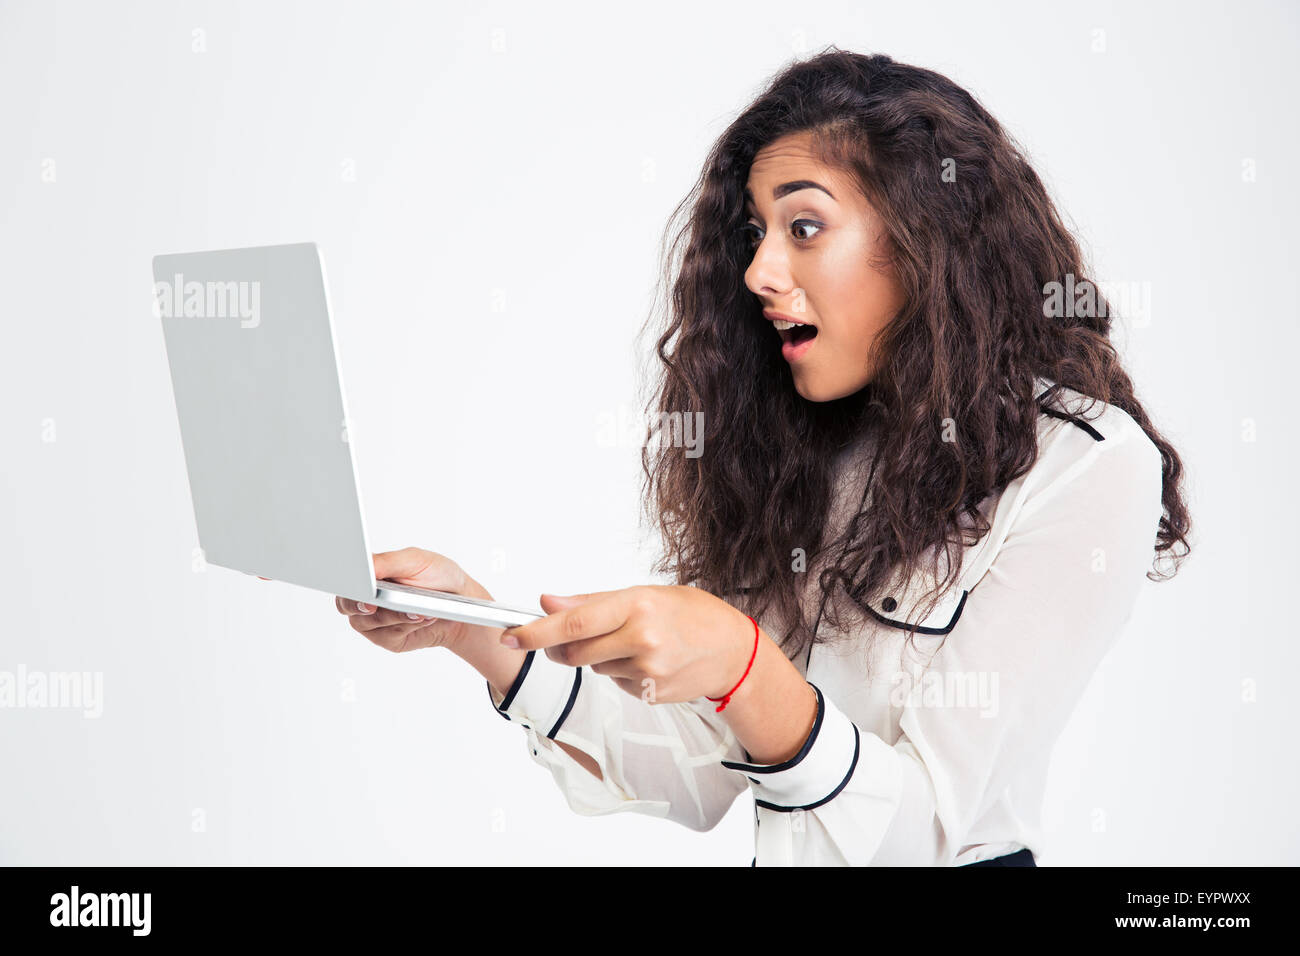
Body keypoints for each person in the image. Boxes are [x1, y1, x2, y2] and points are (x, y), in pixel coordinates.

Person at [334, 47, 1192, 866]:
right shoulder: (808, 449)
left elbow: (925, 834)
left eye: (805, 226)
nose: (758, 271)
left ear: (928, 240)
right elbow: (696, 772)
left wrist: (744, 664)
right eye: (755, 233)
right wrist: (471, 628)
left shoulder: (1088, 464)